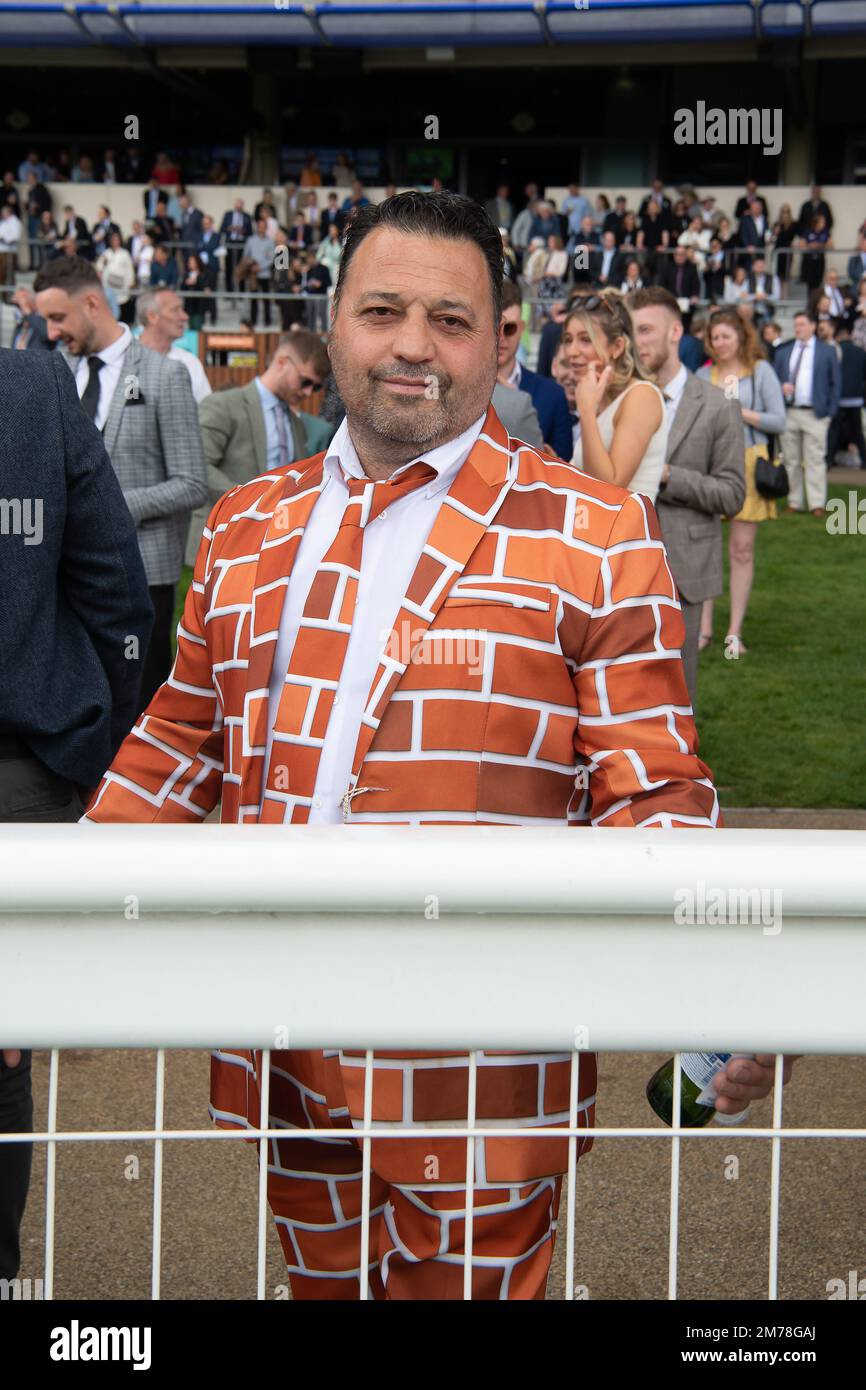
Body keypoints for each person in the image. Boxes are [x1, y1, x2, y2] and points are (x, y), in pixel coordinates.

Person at [81, 190, 791, 1301]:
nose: (412, 344)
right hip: (288, 1051)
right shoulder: (244, 525)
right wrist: (41, 930)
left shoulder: (593, 533)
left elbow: (650, 789)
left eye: (450, 320)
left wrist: (740, 982)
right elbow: (176, 743)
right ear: (333, 323)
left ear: (502, 340)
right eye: (382, 311)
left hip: (482, 1068)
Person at [0, 348, 153, 1287]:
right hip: (23, 772)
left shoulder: (31, 388)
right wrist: (98, 740)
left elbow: (113, 589)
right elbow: (114, 590)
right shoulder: (31, 385)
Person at [34, 255, 207, 713]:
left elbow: (192, 483)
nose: (51, 332)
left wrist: (105, 507)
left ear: (92, 303)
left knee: (138, 709)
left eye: (57, 318)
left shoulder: (165, 375)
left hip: (141, 578)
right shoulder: (56, 374)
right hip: (65, 574)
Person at [184, 329, 330, 564]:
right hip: (220, 543)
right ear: (282, 363)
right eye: (305, 382)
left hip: (272, 548)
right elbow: (198, 467)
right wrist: (255, 503)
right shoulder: (224, 405)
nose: (307, 392)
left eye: (315, 388)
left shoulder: (296, 423)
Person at [695, 309, 786, 657]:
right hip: (709, 464)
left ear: (741, 337)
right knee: (706, 547)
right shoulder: (704, 374)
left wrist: (737, 411)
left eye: (726, 337)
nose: (720, 343)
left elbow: (779, 420)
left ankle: (734, 631)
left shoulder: (760, 371)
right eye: (715, 338)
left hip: (749, 463)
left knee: (742, 550)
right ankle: (703, 628)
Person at [565, 288, 669, 500]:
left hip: (628, 532)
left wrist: (586, 412)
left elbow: (610, 487)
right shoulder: (599, 400)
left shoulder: (642, 396)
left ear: (617, 347)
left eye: (585, 340)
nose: (571, 351)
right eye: (568, 339)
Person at [775, 309, 842, 514]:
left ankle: (817, 503)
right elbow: (773, 380)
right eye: (796, 325)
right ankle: (795, 502)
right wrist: (780, 387)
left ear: (813, 326)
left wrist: (829, 413)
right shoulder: (783, 351)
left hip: (816, 414)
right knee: (790, 460)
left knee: (815, 460)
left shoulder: (827, 351)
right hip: (790, 412)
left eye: (802, 324)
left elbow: (836, 384)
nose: (798, 329)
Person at [496, 281, 572, 459]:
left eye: (509, 328)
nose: (501, 338)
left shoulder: (553, 395)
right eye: (494, 328)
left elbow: (565, 468)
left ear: (521, 328)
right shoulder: (462, 391)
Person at [138, 287, 212, 405]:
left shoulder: (190, 363)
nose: (185, 317)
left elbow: (207, 413)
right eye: (175, 310)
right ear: (152, 317)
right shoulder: (124, 359)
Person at [826, 320, 866, 467]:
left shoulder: (833, 351)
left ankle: (829, 459)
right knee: (858, 433)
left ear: (837, 338)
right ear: (849, 336)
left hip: (839, 398)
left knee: (834, 431)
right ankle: (864, 461)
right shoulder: (861, 352)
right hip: (855, 398)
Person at [239, 215, 275, 328]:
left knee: (266, 299)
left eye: (263, 227)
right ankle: (253, 320)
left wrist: (261, 267)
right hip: (253, 274)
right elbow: (246, 255)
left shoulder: (270, 242)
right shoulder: (251, 240)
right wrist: (251, 265)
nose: (261, 228)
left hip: (264, 274)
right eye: (260, 226)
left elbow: (271, 258)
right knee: (253, 298)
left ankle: (267, 320)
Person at [96, 229, 136, 325]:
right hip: (109, 285)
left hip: (121, 285)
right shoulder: (106, 253)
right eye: (113, 240)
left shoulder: (124, 253)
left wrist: (131, 281)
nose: (115, 242)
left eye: (117, 240)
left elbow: (129, 269)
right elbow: (99, 267)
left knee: (122, 308)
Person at [219, 198, 253, 297]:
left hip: (241, 244)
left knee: (241, 267)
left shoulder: (247, 216)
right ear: (234, 205)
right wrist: (230, 228)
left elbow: (250, 232)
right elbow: (221, 229)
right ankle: (229, 291)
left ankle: (241, 291)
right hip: (230, 244)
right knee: (229, 268)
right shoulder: (228, 215)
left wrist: (243, 231)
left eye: (240, 205)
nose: (239, 207)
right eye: (237, 204)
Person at [9, 286, 53, 351]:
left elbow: (48, 335)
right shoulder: (21, 324)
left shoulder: (44, 318)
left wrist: (28, 313)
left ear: (32, 302)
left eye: (19, 304)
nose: (18, 308)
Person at [799, 212, 832, 295]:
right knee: (810, 283)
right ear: (816, 222)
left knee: (818, 282)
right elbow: (801, 244)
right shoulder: (808, 231)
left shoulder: (825, 232)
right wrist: (810, 246)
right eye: (822, 222)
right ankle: (810, 301)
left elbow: (831, 245)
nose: (824, 224)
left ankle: (816, 300)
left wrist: (819, 245)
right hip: (809, 261)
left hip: (820, 260)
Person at [771, 203, 797, 297]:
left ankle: (784, 296)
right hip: (778, 252)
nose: (785, 214)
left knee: (786, 276)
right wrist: (775, 232)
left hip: (787, 253)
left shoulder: (794, 225)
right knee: (777, 276)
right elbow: (771, 239)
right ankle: (778, 295)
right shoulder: (777, 225)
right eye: (783, 212)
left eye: (787, 212)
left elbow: (797, 238)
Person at [0, 205, 22, 287]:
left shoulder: (15, 222)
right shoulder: (5, 222)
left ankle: (8, 296)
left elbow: (15, 236)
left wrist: (3, 238)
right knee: (1, 274)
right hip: (2, 251)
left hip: (9, 252)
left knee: (8, 274)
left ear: (8, 212)